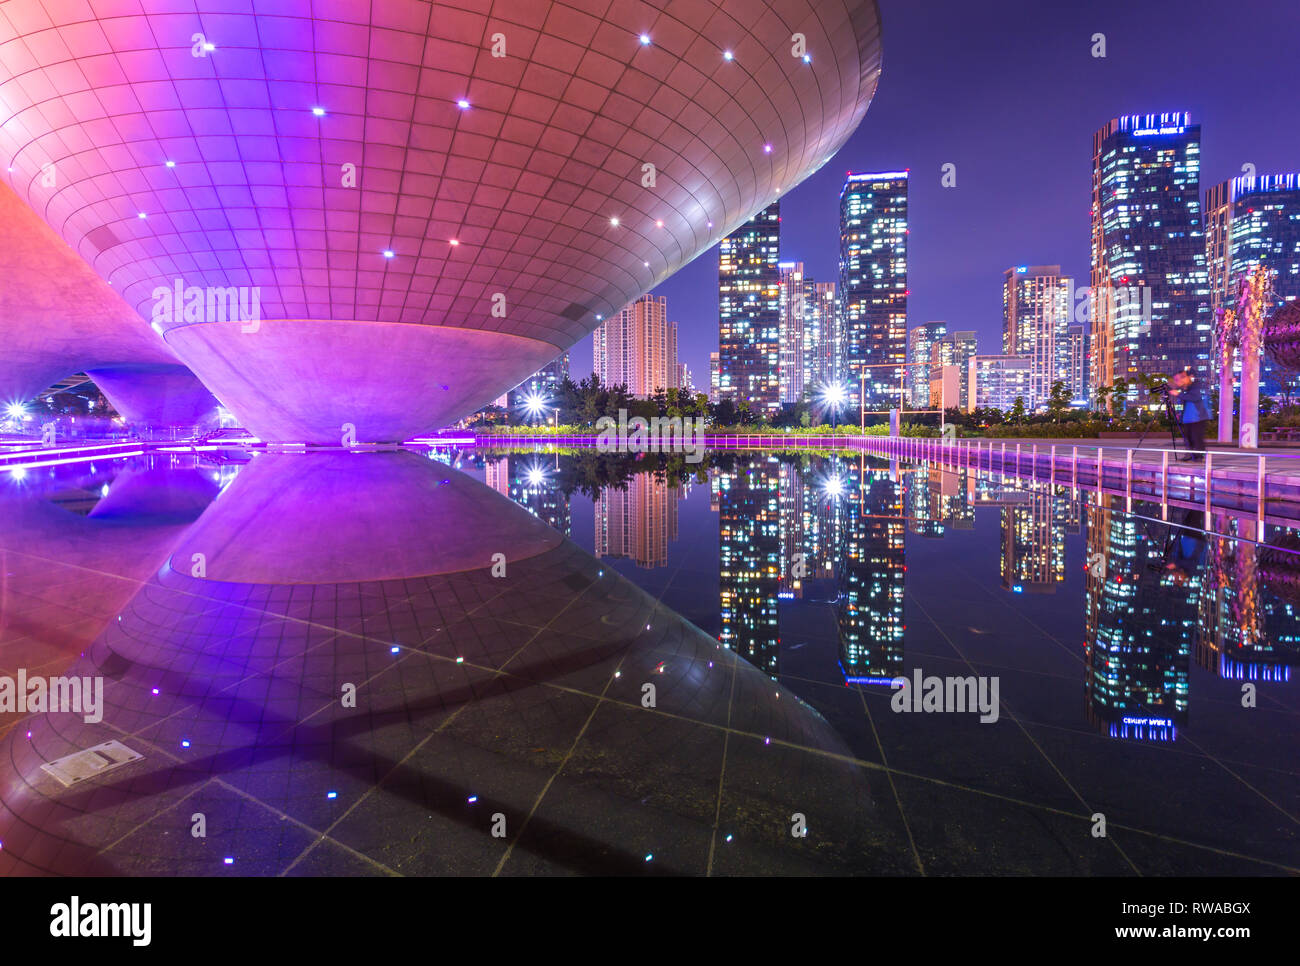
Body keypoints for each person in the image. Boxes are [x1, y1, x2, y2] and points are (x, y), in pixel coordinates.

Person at [1168, 369, 1210, 461]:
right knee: (1188, 438)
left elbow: (1194, 398)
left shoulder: (1196, 386)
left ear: (1185, 377)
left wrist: (1178, 393)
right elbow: (1184, 401)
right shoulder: (1184, 389)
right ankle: (1190, 455)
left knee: (1197, 438)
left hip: (1198, 418)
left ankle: (1199, 456)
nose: (1177, 381)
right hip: (1187, 418)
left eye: (1177, 379)